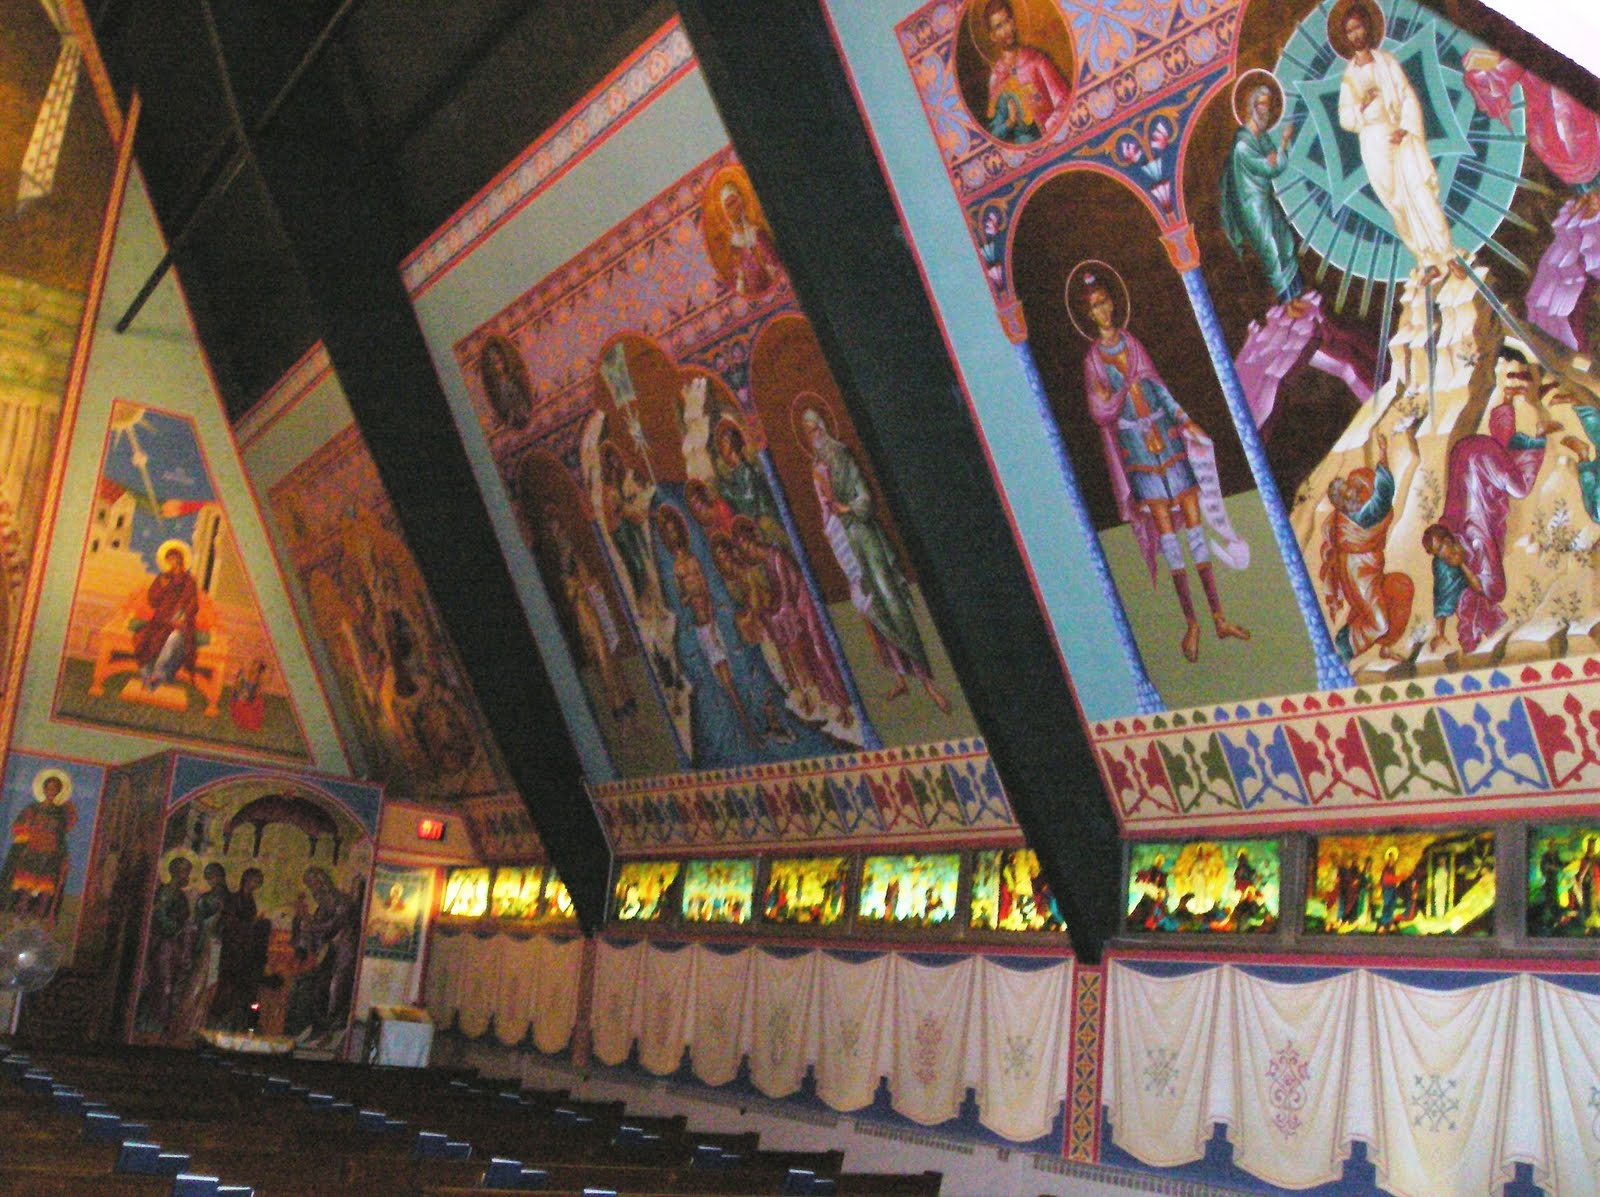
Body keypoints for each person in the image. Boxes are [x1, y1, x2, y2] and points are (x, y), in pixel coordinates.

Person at [1079, 271, 1250, 663]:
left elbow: (1156, 385)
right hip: (1137, 449)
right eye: (1095, 306)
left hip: (1165, 437)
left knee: (1193, 524)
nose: (1104, 309)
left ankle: (1220, 617)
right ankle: (1192, 622)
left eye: (1106, 300)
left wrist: (1185, 420)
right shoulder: (1093, 360)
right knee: (1168, 535)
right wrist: (1116, 392)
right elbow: (1099, 409)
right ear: (1088, 314)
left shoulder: (1132, 343)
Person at [802, 402, 951, 711]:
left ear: (824, 427)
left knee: (889, 601)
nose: (813, 435)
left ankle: (928, 682)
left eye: (815, 428)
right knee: (868, 608)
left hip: (863, 538)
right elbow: (823, 506)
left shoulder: (841, 457)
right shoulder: (815, 465)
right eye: (807, 431)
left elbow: (864, 499)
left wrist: (844, 508)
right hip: (841, 542)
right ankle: (899, 677)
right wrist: (829, 521)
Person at [1423, 350, 1556, 653]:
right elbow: (1443, 601)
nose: (1447, 555)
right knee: (1502, 458)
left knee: (1520, 487)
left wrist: (1469, 574)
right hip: (1468, 456)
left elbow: (1487, 590)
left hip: (1475, 458)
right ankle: (1507, 401)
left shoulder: (1472, 544)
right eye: (1443, 552)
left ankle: (1536, 436)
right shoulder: (1456, 546)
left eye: (1443, 549)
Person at [1334, 0, 1457, 276]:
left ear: (1367, 27)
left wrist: (1406, 126)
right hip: (1374, 145)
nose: (1355, 34)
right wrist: (1362, 107)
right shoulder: (1349, 78)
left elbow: (1406, 95)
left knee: (1420, 193)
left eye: (1358, 27)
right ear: (1345, 37)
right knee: (1397, 205)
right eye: (1350, 31)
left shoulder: (1386, 62)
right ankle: (1427, 261)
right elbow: (1345, 118)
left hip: (1400, 136)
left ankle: (1447, 255)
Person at [656, 502, 761, 746]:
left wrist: (714, 623)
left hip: (712, 622)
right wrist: (688, 598)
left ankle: (751, 727)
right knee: (724, 680)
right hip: (702, 627)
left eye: (674, 530)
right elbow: (683, 599)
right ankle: (747, 730)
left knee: (733, 674)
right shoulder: (675, 567)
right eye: (667, 533)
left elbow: (704, 587)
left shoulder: (692, 559)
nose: (673, 536)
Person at [732, 515, 851, 723]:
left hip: (805, 605)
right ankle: (835, 702)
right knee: (811, 657)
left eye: (747, 545)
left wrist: (777, 612)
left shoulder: (776, 556)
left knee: (820, 650)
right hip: (796, 608)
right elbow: (779, 596)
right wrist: (769, 613)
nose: (747, 551)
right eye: (743, 549)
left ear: (753, 541)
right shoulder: (767, 564)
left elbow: (787, 594)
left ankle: (845, 701)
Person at [1321, 432, 1415, 661]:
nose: (1351, 492)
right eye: (1345, 493)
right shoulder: (1362, 516)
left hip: (1370, 565)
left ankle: (1384, 647)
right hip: (1357, 570)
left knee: (1398, 589)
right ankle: (1342, 652)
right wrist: (1383, 453)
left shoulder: (1356, 510)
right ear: (1341, 502)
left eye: (1349, 488)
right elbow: (1383, 496)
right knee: (1378, 622)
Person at [1219, 79, 1307, 311]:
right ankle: (1287, 304)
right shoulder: (1242, 145)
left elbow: (1276, 165)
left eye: (1268, 105)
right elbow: (1269, 166)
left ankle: (1296, 296)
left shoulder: (1261, 137)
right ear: (1250, 107)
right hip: (1253, 208)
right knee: (1273, 250)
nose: (1266, 110)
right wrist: (1285, 141)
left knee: (1286, 241)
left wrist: (1278, 151)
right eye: (1261, 105)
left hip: (1265, 200)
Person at [284, 867, 361, 1043]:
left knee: (334, 987)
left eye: (317, 883)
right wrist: (301, 922)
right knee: (308, 986)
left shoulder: (343, 902)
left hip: (344, 955)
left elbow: (331, 927)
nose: (315, 890)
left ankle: (330, 1029)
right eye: (311, 886)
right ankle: (313, 1028)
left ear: (326, 882)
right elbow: (312, 933)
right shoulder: (322, 908)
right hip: (328, 956)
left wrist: (308, 922)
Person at [980, 0, 1070, 145]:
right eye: (999, 26)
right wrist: (1010, 122)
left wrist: (1049, 127)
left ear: (1013, 22)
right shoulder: (996, 77)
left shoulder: (1037, 61)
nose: (1006, 30)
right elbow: (996, 130)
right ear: (993, 36)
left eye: (1007, 21)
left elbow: (1064, 100)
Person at [1, 769, 77, 919]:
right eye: (49, 788)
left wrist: (64, 856)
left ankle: (39, 919)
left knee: (46, 889)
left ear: (59, 792)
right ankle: (19, 916)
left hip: (51, 854)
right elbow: (19, 827)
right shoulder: (33, 809)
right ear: (43, 789)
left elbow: (61, 835)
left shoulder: (61, 813)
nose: (51, 791)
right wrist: (27, 834)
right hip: (32, 851)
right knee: (25, 886)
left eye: (55, 789)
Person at [207, 866, 270, 1030]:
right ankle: (216, 1019)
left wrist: (255, 925)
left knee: (244, 988)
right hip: (232, 950)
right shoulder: (234, 899)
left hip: (244, 950)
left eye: (258, 882)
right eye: (254, 881)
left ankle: (242, 1023)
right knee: (227, 985)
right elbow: (229, 922)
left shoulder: (250, 901)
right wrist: (251, 925)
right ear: (246, 880)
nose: (255, 885)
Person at [137, 856, 195, 1034]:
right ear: (176, 872)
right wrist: (176, 930)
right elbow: (159, 916)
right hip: (164, 944)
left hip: (175, 945)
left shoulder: (179, 895)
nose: (187, 876)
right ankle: (153, 1025)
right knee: (164, 984)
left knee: (170, 984)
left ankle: (160, 1024)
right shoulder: (166, 892)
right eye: (185, 872)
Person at [133, 542, 202, 689]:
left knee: (174, 638)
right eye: (169, 559)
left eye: (174, 558)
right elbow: (152, 601)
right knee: (145, 640)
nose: (172, 562)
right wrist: (162, 587)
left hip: (180, 622)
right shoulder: (163, 578)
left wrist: (182, 617)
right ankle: (151, 681)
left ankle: (157, 674)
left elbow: (193, 604)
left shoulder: (189, 581)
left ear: (181, 559)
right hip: (161, 620)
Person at [718, 181, 781, 298]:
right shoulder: (733, 245)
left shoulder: (757, 233)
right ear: (725, 212)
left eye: (735, 201)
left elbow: (776, 267)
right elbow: (738, 281)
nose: (734, 208)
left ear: (741, 201)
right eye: (729, 205)